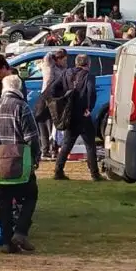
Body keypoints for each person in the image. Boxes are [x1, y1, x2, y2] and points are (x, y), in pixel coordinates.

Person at [0, 73, 40, 253]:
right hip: (21, 160)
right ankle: (21, 232)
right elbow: (32, 137)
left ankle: (7, 242)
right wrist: (35, 158)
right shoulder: (22, 107)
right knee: (30, 197)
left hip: (1, 162)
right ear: (19, 88)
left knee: (4, 202)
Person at [51, 53, 102, 181]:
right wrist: (89, 108)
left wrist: (62, 101)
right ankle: (94, 173)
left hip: (70, 113)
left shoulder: (66, 73)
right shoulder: (88, 76)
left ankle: (58, 170)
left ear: (76, 63)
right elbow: (91, 92)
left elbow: (54, 87)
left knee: (67, 143)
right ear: (88, 64)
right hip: (83, 113)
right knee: (90, 144)